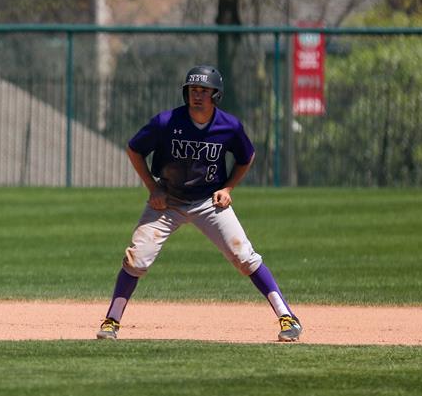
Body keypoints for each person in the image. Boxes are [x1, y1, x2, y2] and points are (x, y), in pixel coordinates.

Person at [95, 64, 302, 342]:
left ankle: (287, 317)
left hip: (208, 201)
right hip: (168, 200)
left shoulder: (229, 126)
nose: (198, 95)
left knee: (244, 257)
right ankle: (111, 320)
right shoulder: (166, 122)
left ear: (216, 94)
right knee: (138, 258)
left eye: (204, 90)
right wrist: (153, 188)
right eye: (193, 89)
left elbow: (246, 156)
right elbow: (134, 149)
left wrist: (228, 187)